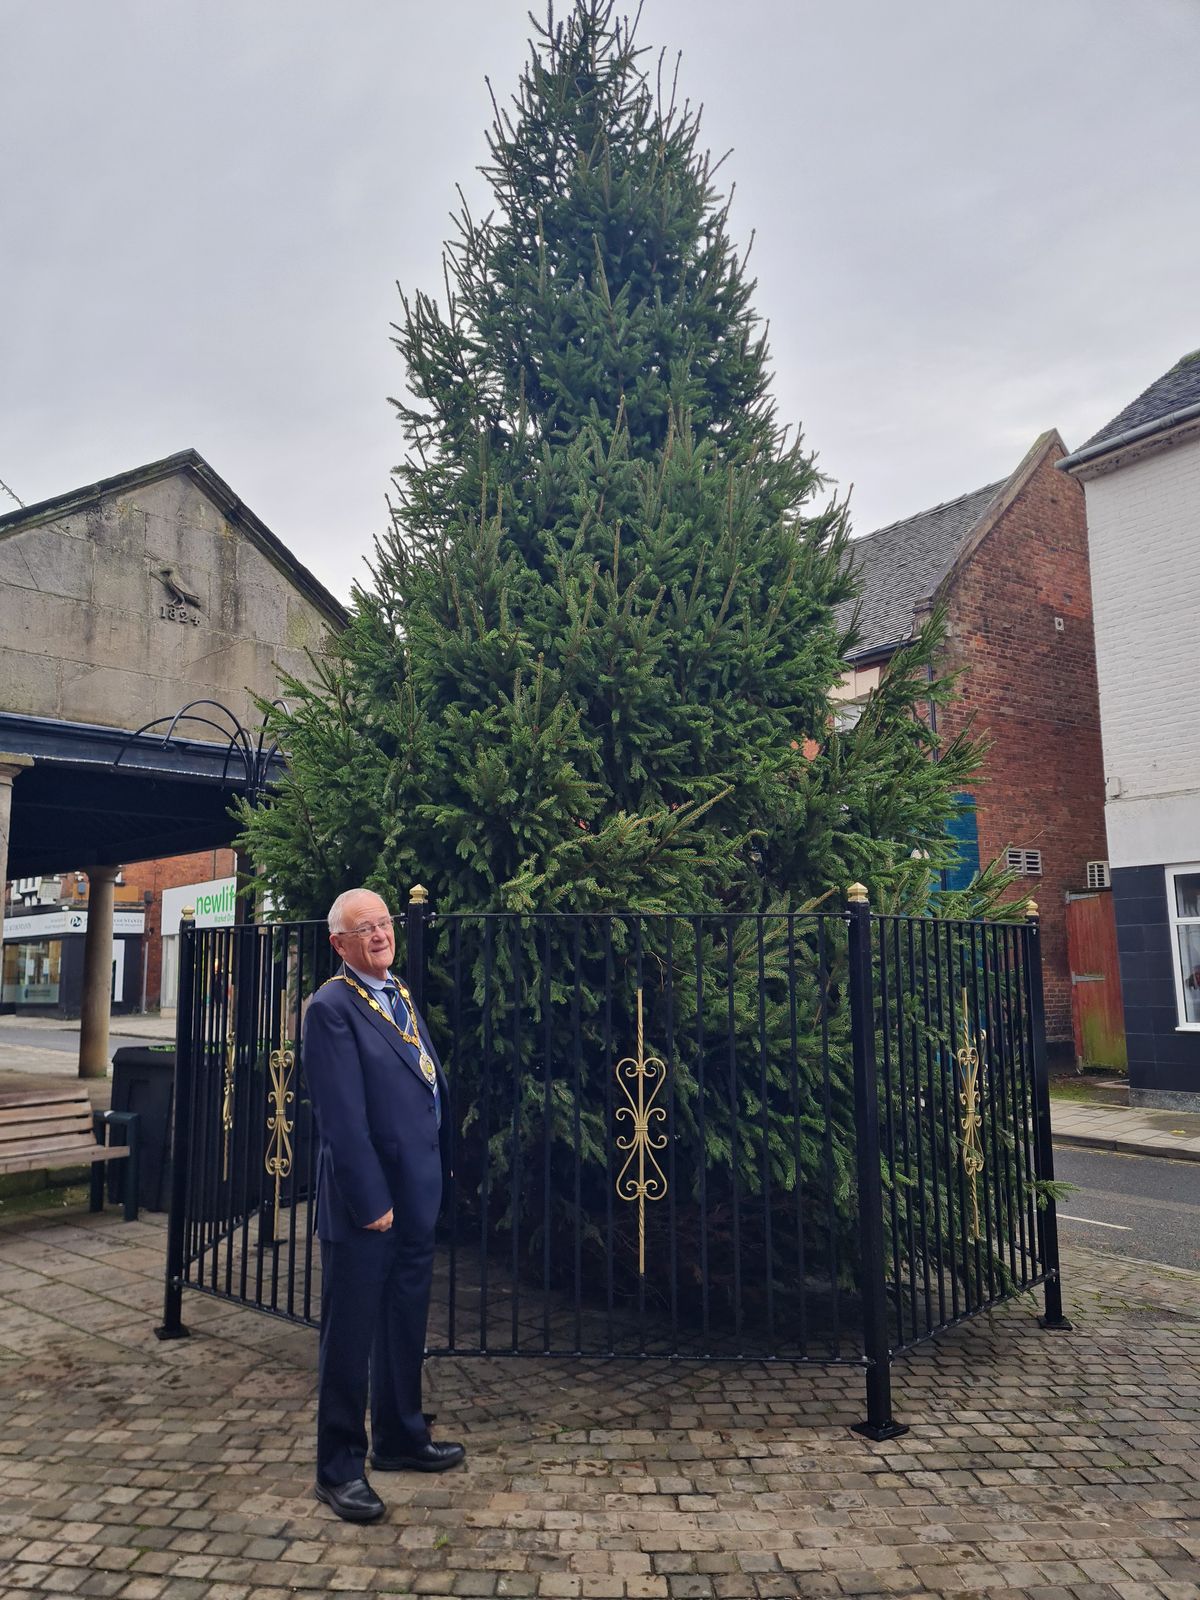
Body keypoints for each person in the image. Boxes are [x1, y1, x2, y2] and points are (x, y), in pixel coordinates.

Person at [301, 886, 464, 1523]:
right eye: (364, 928)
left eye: (385, 923)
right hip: (368, 1205)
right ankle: (338, 1468)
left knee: (403, 1323)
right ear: (339, 943)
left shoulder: (395, 991)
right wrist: (371, 1201)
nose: (380, 934)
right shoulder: (331, 1007)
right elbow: (342, 1119)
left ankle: (400, 1436)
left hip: (417, 1192)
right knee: (349, 1338)